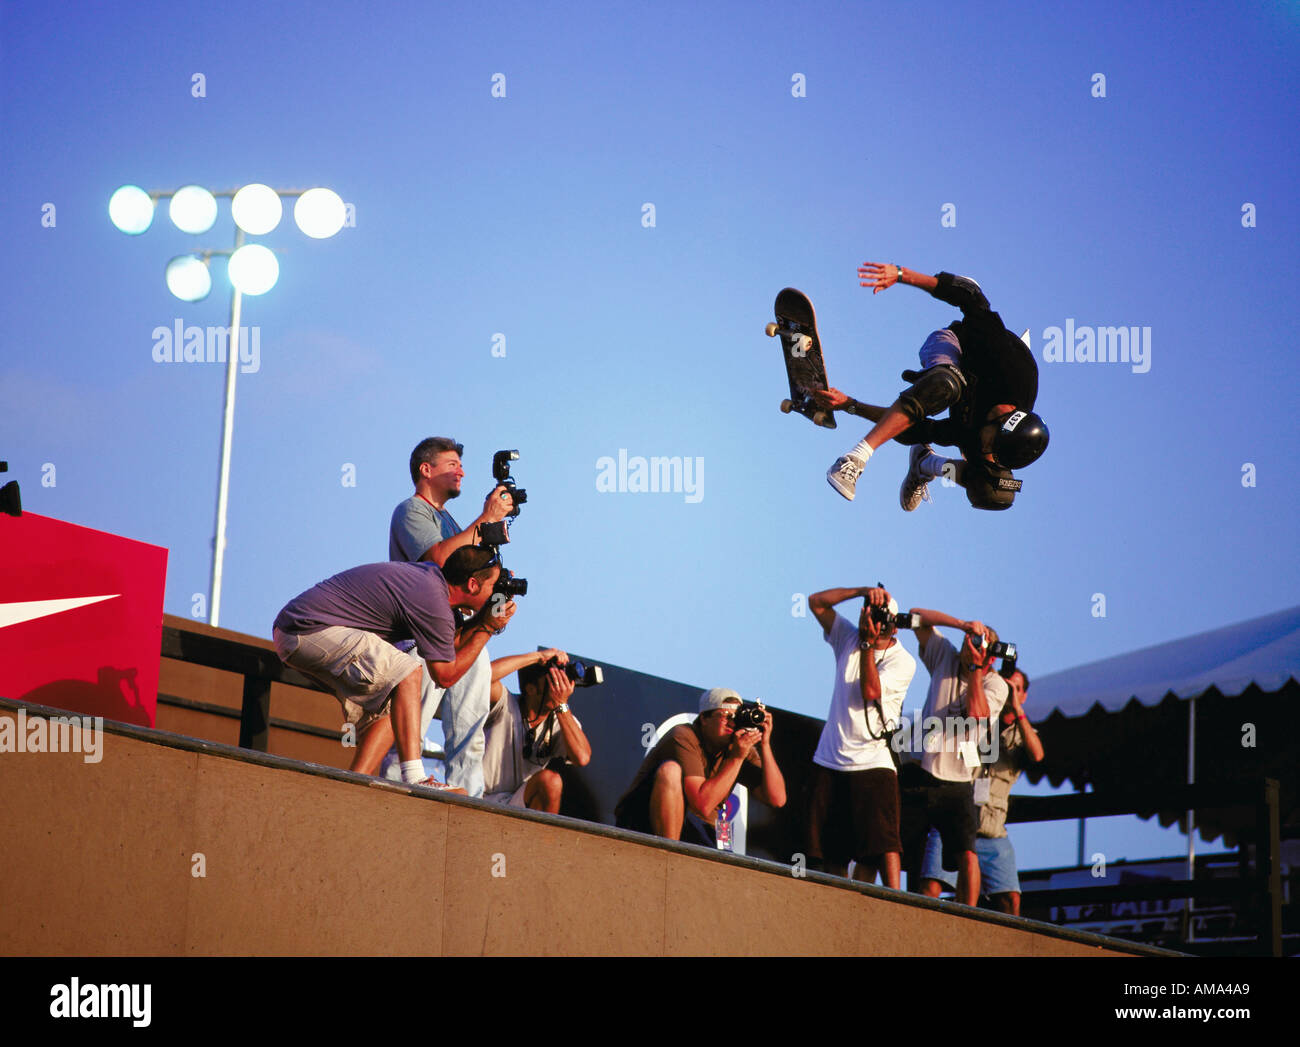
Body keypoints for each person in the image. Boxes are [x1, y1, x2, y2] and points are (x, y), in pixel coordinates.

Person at [271, 545, 510, 787]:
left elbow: (449, 645)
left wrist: (482, 621)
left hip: (295, 632)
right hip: (308, 629)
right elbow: (444, 676)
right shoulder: (433, 600)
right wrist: (487, 628)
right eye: (492, 586)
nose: (494, 593)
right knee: (407, 672)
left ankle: (353, 785)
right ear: (471, 584)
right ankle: (416, 777)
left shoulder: (431, 583)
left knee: (391, 708)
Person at [819, 262, 1049, 511]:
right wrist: (900, 275)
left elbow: (909, 428)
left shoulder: (976, 436)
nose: (986, 453)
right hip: (959, 343)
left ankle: (925, 464)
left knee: (995, 489)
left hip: (969, 388)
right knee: (946, 385)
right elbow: (970, 294)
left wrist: (850, 405)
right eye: (991, 447)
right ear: (1004, 420)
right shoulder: (1006, 364)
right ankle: (855, 458)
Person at [387, 436, 516, 797]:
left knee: (469, 732)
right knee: (414, 721)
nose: (461, 471)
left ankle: (465, 799)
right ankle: (394, 791)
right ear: (426, 470)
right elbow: (438, 560)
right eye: (452, 465)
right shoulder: (412, 510)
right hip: (420, 633)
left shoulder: (449, 519)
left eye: (461, 465)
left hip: (461, 628)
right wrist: (485, 518)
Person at [805, 584, 916, 888]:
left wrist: (867, 646)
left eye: (878, 614)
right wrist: (862, 591)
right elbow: (815, 601)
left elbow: (870, 691)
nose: (871, 620)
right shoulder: (848, 637)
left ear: (893, 625)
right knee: (833, 849)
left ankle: (896, 901)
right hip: (831, 758)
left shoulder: (903, 661)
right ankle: (836, 903)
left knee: (883, 844)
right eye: (868, 611)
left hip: (873, 759)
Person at [900, 605, 1009, 905]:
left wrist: (974, 669)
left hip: (959, 779)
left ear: (991, 655)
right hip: (924, 769)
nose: (968, 650)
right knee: (896, 840)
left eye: (976, 645)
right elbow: (916, 616)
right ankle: (891, 901)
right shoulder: (945, 655)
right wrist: (963, 624)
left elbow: (977, 715)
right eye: (966, 643)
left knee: (966, 852)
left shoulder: (996, 684)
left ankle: (968, 917)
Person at [917, 666, 1044, 913]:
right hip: (956, 818)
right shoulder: (981, 717)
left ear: (1024, 695)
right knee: (931, 888)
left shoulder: (1023, 734)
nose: (1009, 693)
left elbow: (1037, 754)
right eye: (1006, 687)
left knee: (1010, 901)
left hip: (991, 830)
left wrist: (1017, 710)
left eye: (1015, 689)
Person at [614, 688, 786, 845]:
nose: (732, 723)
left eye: (736, 717)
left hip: (694, 827)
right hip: (640, 818)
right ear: (704, 718)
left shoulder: (740, 746)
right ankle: (670, 856)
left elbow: (777, 799)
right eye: (725, 716)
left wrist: (765, 744)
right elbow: (702, 805)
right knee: (671, 771)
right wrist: (735, 759)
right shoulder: (685, 735)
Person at [481, 648, 592, 812]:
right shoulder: (505, 703)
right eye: (553, 679)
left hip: (517, 803)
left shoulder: (560, 717)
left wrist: (562, 705)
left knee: (551, 781)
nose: (558, 686)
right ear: (530, 689)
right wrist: (537, 657)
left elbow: (582, 757)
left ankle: (542, 837)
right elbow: (482, 676)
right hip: (479, 796)